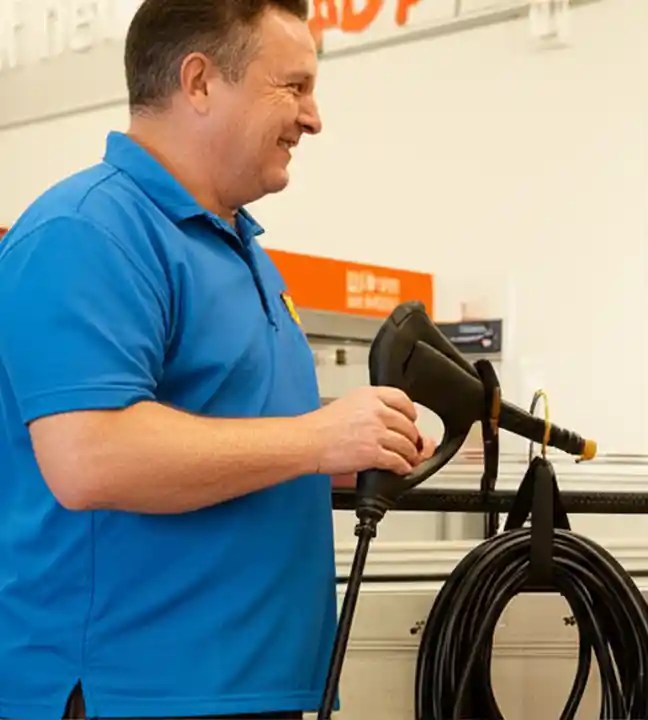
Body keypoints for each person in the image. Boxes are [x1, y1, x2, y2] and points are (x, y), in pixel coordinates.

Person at [0, 0, 433, 717]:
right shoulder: (88, 231)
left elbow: (231, 438)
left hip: (245, 683)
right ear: (199, 82)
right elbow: (90, 456)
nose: (313, 117)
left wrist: (342, 452)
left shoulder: (242, 250)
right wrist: (317, 439)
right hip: (132, 692)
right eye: (292, 87)